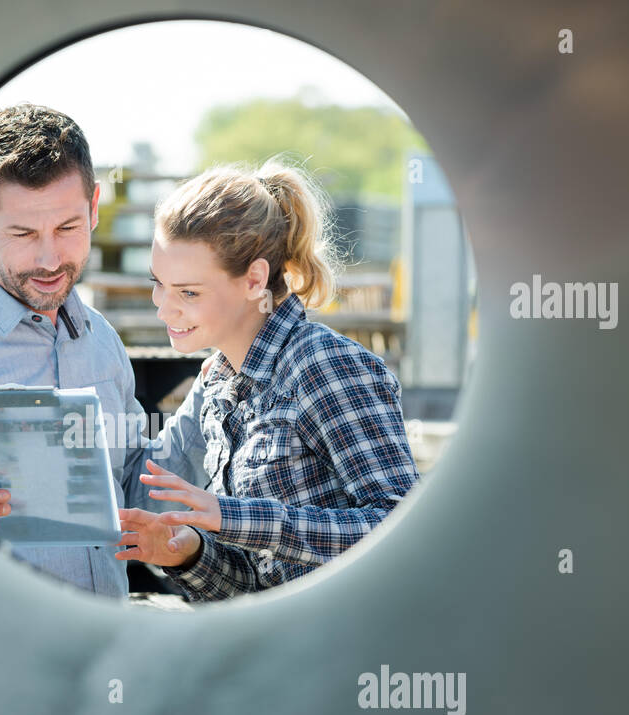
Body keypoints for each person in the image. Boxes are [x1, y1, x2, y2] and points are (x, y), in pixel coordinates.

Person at [0, 104, 206, 598]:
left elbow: (128, 490)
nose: (50, 259)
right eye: (22, 233)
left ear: (94, 207)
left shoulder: (100, 340)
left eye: (67, 228)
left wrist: (212, 398)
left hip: (106, 650)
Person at [114, 159, 420, 601]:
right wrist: (189, 555)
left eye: (189, 292)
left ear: (255, 279)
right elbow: (254, 585)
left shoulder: (323, 365)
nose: (163, 308)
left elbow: (401, 532)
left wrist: (232, 517)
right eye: (158, 283)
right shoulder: (216, 384)